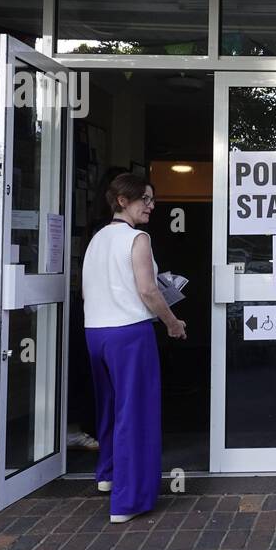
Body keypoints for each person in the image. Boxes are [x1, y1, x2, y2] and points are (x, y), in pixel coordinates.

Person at [81, 173, 186, 523]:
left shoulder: (96, 240)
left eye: (152, 200)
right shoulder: (138, 238)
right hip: (130, 334)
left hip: (96, 332)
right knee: (135, 414)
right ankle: (128, 502)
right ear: (123, 201)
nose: (152, 206)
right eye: (145, 199)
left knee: (109, 409)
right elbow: (148, 291)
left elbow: (90, 290)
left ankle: (107, 476)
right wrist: (173, 324)